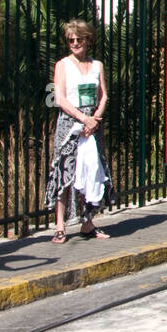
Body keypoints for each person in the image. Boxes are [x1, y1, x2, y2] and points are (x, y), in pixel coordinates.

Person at [44, 19, 114, 243]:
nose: (75, 43)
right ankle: (60, 224)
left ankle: (88, 222)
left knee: (92, 169)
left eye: (79, 39)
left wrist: (95, 118)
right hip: (71, 123)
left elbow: (104, 95)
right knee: (65, 172)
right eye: (70, 40)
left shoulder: (97, 65)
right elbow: (61, 99)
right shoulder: (63, 65)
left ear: (88, 40)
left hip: (92, 124)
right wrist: (83, 118)